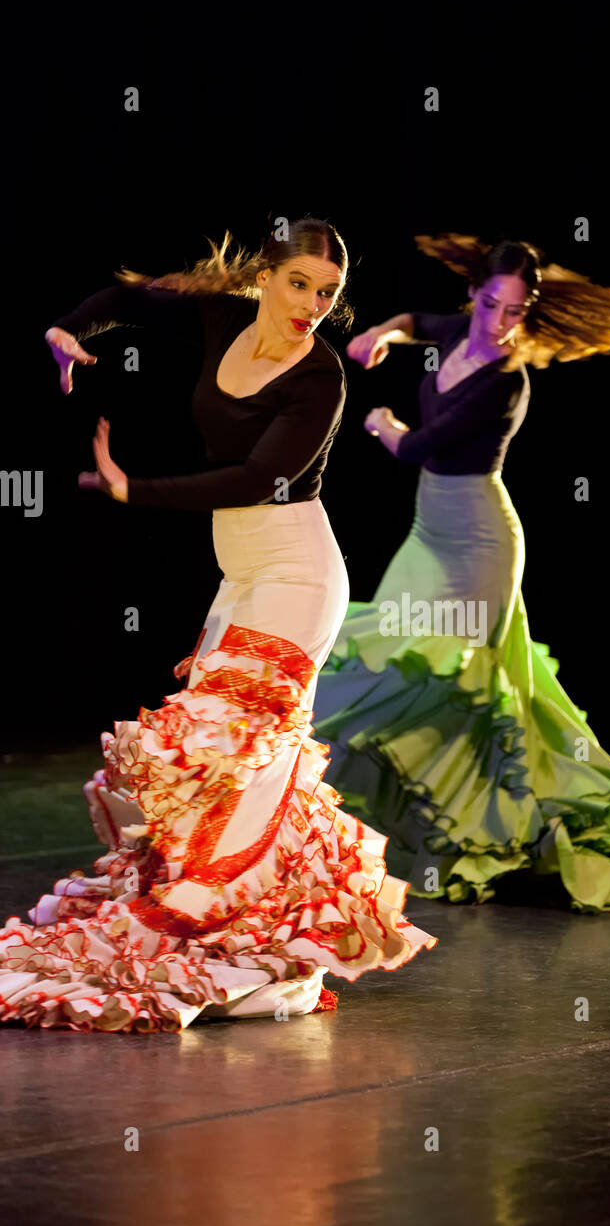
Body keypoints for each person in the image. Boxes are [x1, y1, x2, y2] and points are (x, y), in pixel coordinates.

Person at [0, 217, 436, 1034]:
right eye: (298, 283)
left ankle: (239, 946)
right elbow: (135, 295)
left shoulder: (321, 379)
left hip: (299, 577)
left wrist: (138, 491)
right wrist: (68, 329)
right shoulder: (220, 316)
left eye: (328, 293)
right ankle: (268, 955)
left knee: (233, 753)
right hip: (241, 576)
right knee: (233, 772)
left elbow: (260, 478)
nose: (311, 304)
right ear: (265, 278)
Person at [311, 232, 610, 912]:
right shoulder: (455, 330)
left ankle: (512, 832)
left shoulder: (505, 382)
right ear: (474, 295)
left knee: (472, 681)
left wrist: (379, 421)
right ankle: (438, 827)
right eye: (494, 305)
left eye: (516, 311)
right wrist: (381, 332)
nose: (502, 322)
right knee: (395, 662)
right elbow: (415, 323)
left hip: (479, 542)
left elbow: (418, 445)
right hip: (426, 531)